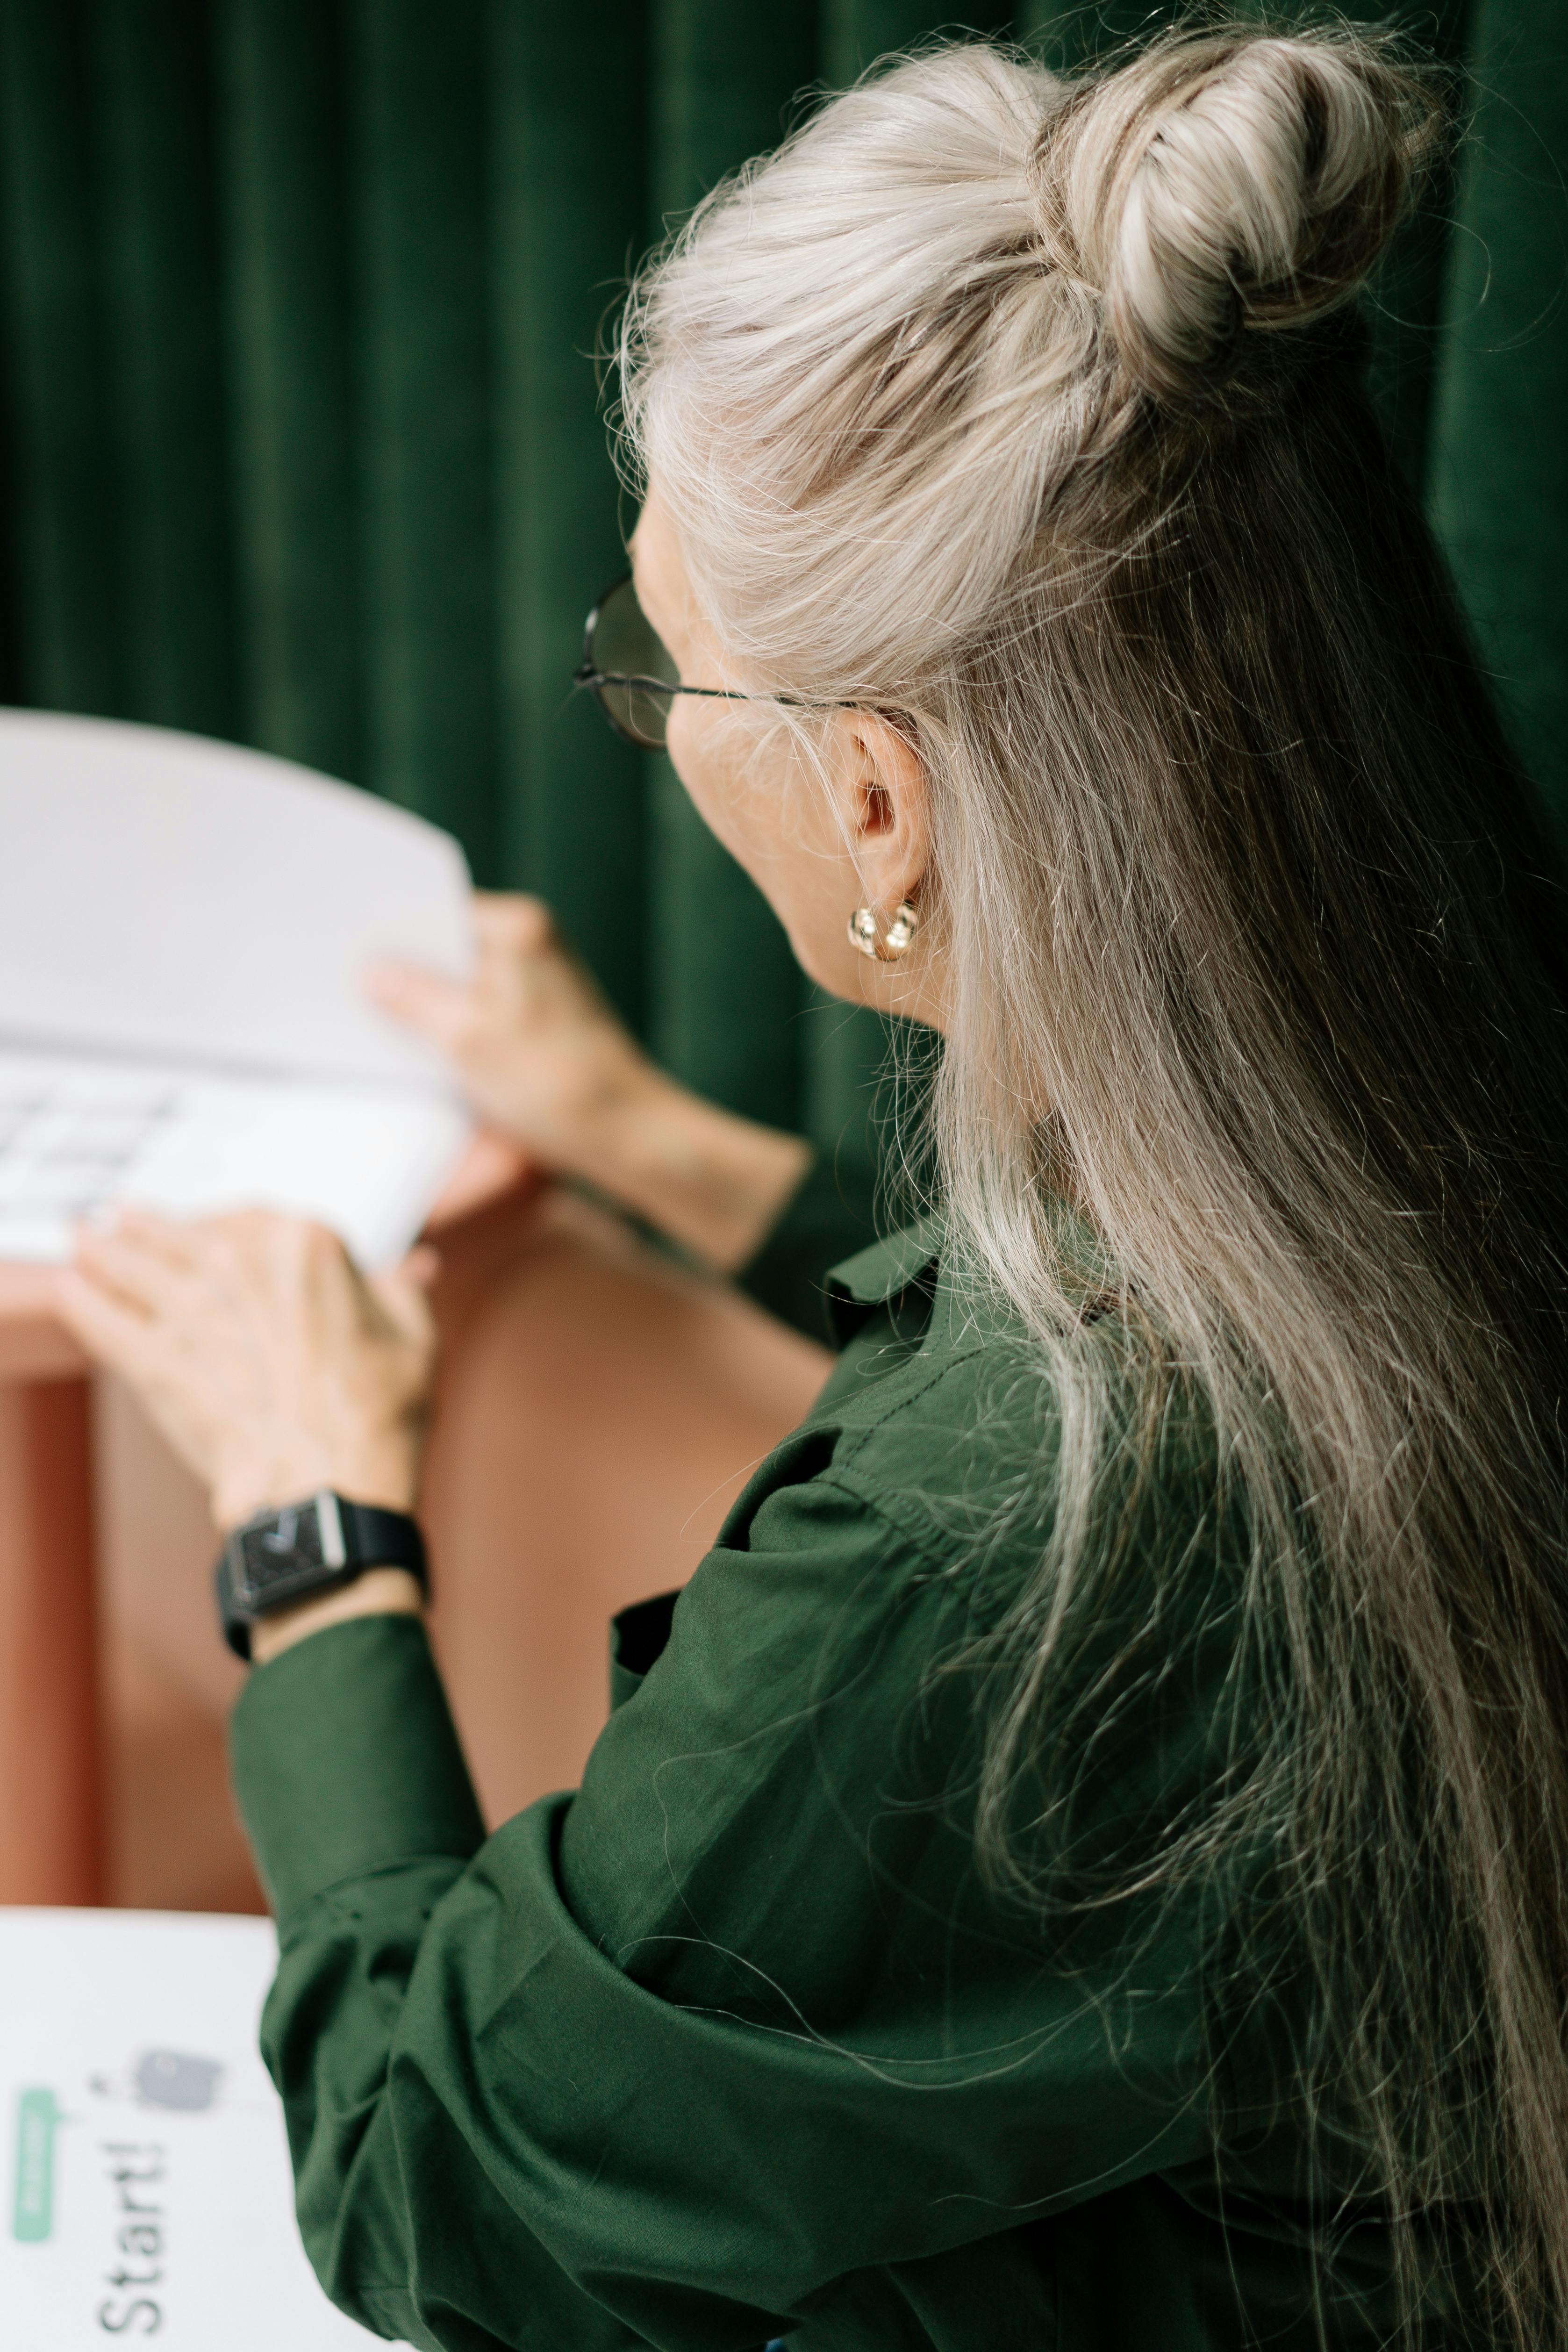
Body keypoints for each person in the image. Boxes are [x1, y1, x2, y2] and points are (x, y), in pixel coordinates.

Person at [59, 21, 1568, 2350]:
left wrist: (305, 1519)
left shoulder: (1011, 1519)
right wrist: (660, 1151)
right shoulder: (1450, 1089)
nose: (646, 714)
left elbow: (439, 2188)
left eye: (656, 667)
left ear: (871, 800)